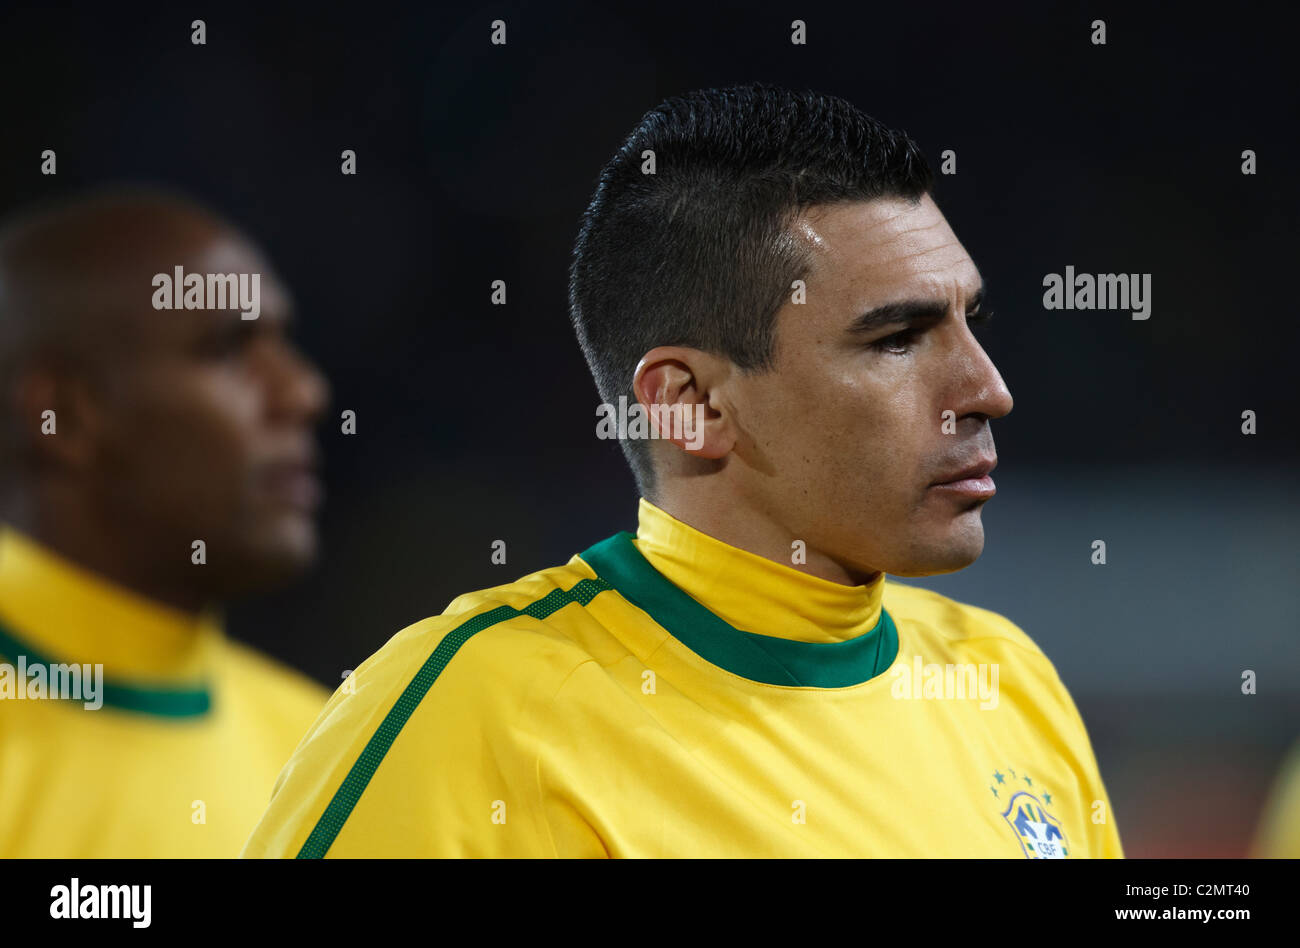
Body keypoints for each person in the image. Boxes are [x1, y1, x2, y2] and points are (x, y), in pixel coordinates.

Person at [244, 84, 1123, 858]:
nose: (988, 390)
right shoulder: (481, 720)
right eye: (896, 340)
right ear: (691, 405)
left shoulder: (1005, 681)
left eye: (972, 322)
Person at [0, 188, 330, 857]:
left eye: (281, 342)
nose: (302, 392)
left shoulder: (331, 752)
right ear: (67, 412)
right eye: (227, 349)